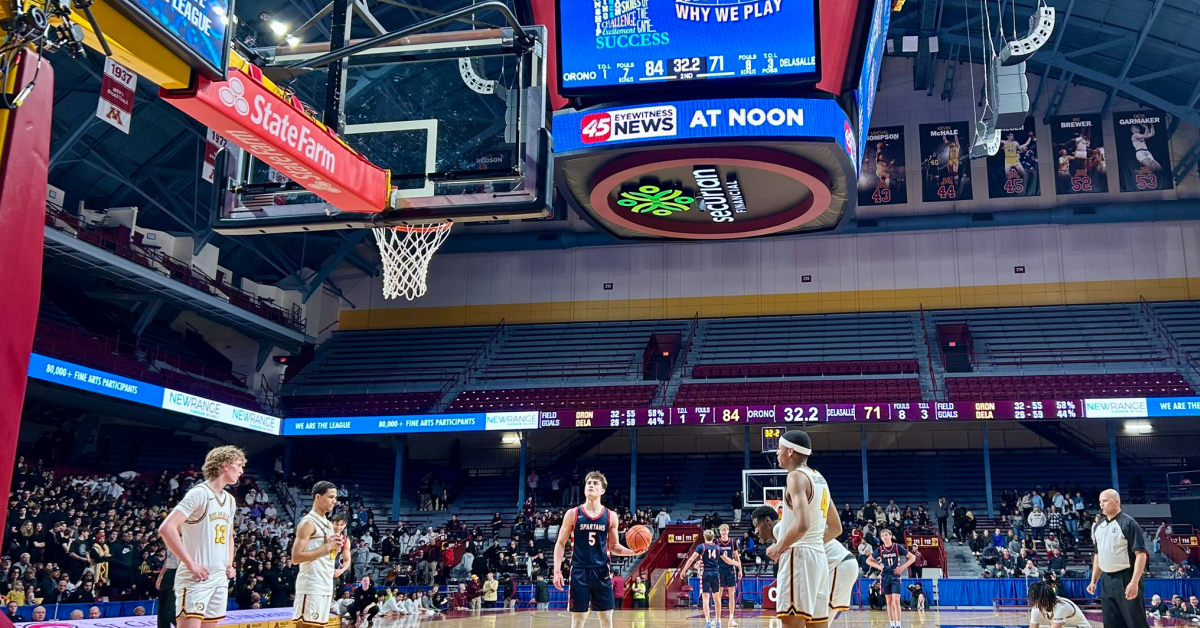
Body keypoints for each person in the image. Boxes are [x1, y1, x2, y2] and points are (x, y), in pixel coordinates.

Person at [158, 445, 245, 628]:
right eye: (239, 465)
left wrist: (229, 564)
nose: (241, 471)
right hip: (196, 578)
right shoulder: (199, 493)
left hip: (219, 577)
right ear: (226, 465)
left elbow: (229, 537)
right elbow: (167, 528)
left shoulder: (230, 500)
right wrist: (190, 563)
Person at [553, 471, 642, 628]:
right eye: (588, 483)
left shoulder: (610, 516)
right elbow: (560, 543)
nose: (591, 485)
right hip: (579, 570)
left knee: (606, 619)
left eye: (595, 483)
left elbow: (614, 546)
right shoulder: (573, 514)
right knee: (578, 620)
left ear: (602, 490)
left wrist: (631, 551)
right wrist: (557, 571)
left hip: (602, 571)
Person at [764, 430, 830, 628]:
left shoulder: (795, 477)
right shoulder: (819, 478)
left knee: (791, 624)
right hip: (819, 558)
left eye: (779, 448)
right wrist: (812, 544)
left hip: (798, 557)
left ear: (790, 451)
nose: (777, 453)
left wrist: (778, 548)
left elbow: (802, 525)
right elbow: (836, 527)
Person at [1086, 489, 1150, 628]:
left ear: (1116, 502)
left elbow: (1141, 554)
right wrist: (1094, 580)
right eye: (1100, 501)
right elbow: (1098, 554)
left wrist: (1134, 582)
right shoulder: (1098, 526)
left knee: (1135, 622)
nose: (1101, 504)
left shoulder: (1128, 523)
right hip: (1107, 580)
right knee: (1111, 623)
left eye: (1105, 501)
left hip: (1126, 577)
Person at [292, 481, 346, 628]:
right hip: (311, 584)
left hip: (325, 583)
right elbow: (296, 558)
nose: (334, 501)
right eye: (331, 497)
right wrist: (327, 547)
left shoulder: (327, 523)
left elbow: (327, 554)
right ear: (318, 497)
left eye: (335, 497)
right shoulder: (308, 522)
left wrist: (335, 548)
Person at [866, 529, 915, 628]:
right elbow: (868, 560)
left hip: (895, 576)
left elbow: (912, 557)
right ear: (881, 538)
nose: (884, 537)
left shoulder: (897, 547)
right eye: (882, 535)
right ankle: (892, 624)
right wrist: (878, 566)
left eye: (886, 535)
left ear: (890, 536)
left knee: (896, 600)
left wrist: (902, 567)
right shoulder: (880, 549)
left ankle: (898, 625)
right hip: (885, 577)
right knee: (888, 601)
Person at [678, 529, 725, 628]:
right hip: (715, 574)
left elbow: (691, 559)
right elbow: (726, 560)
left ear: (704, 537)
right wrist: (736, 564)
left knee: (705, 599)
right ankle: (718, 621)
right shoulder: (718, 547)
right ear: (713, 537)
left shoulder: (701, 547)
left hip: (705, 574)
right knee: (717, 599)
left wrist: (684, 570)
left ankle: (708, 621)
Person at [716, 524, 742, 626]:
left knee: (732, 594)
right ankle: (717, 618)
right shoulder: (716, 542)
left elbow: (736, 556)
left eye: (725, 530)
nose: (724, 532)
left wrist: (740, 569)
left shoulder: (732, 542)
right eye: (722, 530)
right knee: (718, 594)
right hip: (720, 569)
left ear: (728, 531)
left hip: (730, 569)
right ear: (720, 531)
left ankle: (731, 618)